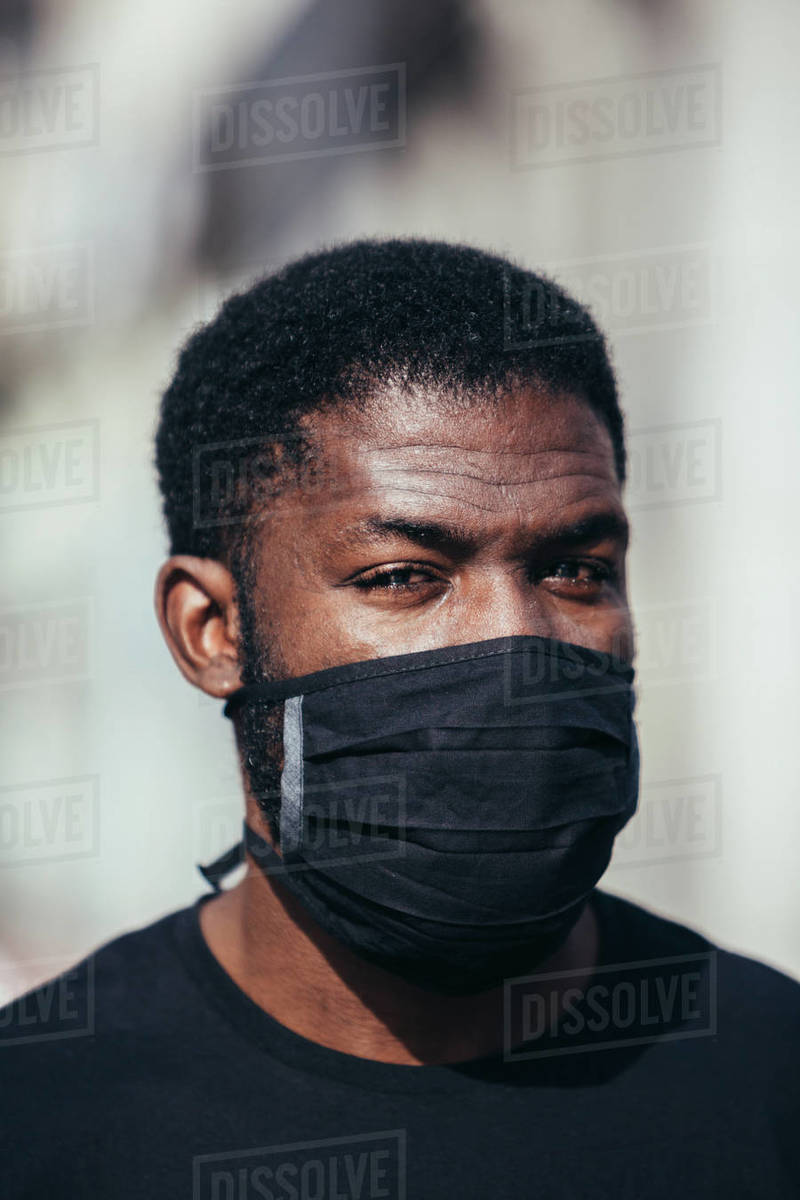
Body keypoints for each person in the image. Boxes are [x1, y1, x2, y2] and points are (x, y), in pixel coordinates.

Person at [2, 240, 798, 1197]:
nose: (517, 646)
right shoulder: (42, 1118)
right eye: (402, 578)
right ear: (210, 630)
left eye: (575, 570)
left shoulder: (769, 1076)